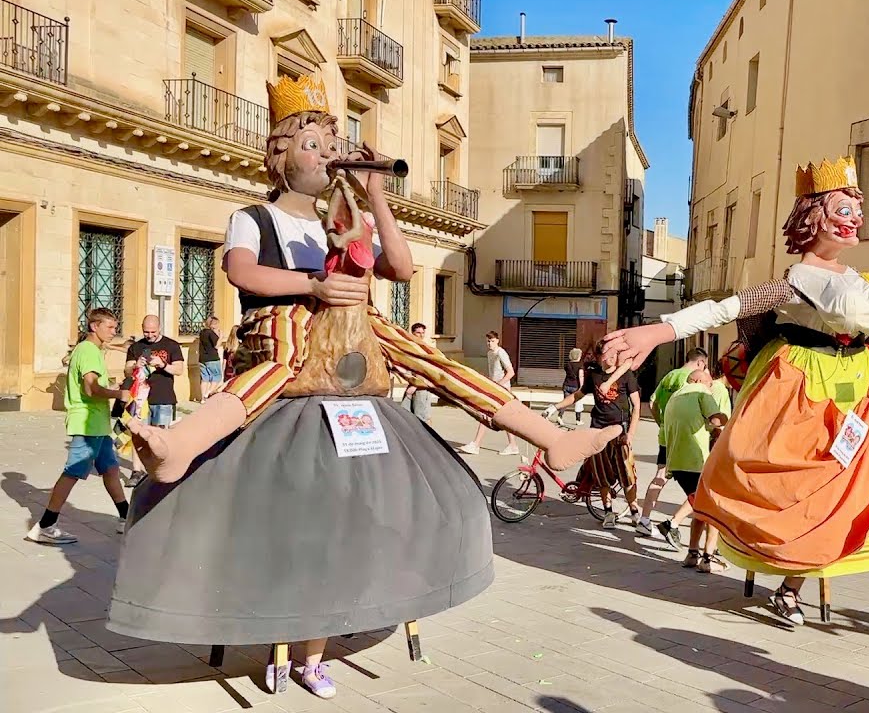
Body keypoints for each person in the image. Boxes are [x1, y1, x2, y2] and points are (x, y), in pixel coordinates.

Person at [110, 73, 616, 700]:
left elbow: (400, 268)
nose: (327, 154)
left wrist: (377, 198)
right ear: (277, 154)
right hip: (284, 327)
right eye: (313, 145)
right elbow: (242, 272)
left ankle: (550, 438)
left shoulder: (339, 223)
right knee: (287, 354)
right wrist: (312, 288)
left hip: (349, 334)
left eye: (332, 144)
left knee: (427, 358)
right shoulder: (254, 217)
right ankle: (182, 442)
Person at [600, 155, 869, 626]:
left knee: (840, 492)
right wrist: (658, 331)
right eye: (844, 209)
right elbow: (726, 307)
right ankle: (763, 559)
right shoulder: (793, 284)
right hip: (798, 388)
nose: (855, 218)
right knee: (788, 483)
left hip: (856, 392)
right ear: (814, 218)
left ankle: (790, 590)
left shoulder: (863, 284)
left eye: (858, 210)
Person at [25, 308, 131, 543]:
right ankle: (45, 525)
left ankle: (127, 517)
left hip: (98, 424)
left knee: (111, 469)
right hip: (87, 423)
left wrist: (113, 384)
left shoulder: (91, 351)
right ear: (95, 326)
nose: (115, 332)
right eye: (110, 327)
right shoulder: (89, 351)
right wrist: (118, 393)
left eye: (115, 327)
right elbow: (91, 389)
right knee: (72, 473)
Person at [548, 340, 642, 529]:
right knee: (602, 475)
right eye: (608, 353)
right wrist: (554, 407)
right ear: (600, 356)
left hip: (620, 432)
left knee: (628, 475)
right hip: (598, 431)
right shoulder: (594, 375)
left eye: (614, 353)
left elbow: (637, 405)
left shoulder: (625, 375)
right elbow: (577, 396)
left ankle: (634, 510)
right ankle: (608, 512)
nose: (612, 357)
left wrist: (630, 433)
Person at [634, 347, 709, 540]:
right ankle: (678, 525)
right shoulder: (694, 379)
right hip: (686, 439)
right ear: (700, 363)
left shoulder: (669, 376)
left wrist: (662, 423)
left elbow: (652, 403)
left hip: (665, 437)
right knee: (700, 488)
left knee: (660, 476)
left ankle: (644, 520)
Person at [659, 369, 729, 572]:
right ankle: (707, 559)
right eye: (709, 383)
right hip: (695, 459)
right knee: (713, 508)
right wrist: (728, 420)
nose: (711, 387)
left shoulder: (676, 396)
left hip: (676, 461)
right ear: (698, 380)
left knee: (700, 507)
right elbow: (717, 420)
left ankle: (692, 554)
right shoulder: (701, 392)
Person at [123, 315, 185, 485]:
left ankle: (161, 472)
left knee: (162, 437)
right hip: (141, 399)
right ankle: (137, 471)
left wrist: (163, 364)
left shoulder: (171, 345)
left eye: (153, 331)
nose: (149, 335)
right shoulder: (137, 347)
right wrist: (136, 364)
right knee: (138, 434)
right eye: (146, 331)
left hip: (163, 397)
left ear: (160, 328)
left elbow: (179, 370)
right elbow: (127, 370)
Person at [458, 331, 520, 456]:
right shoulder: (490, 354)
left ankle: (476, 444)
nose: (490, 343)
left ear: (497, 340)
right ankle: (512, 445)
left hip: (502, 391)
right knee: (496, 417)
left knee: (486, 415)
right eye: (488, 341)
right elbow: (494, 372)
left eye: (492, 341)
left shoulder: (501, 353)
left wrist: (499, 385)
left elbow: (510, 372)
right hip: (495, 390)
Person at [398, 323, 433, 426]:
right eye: (418, 333)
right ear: (412, 333)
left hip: (421, 387)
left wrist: (416, 385)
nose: (421, 335)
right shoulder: (411, 347)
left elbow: (424, 370)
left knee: (422, 417)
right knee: (406, 414)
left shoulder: (425, 350)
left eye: (423, 333)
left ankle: (427, 440)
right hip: (413, 385)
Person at [562, 348, 586, 425]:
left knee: (565, 402)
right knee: (578, 403)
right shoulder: (580, 365)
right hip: (576, 386)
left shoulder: (567, 364)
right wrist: (582, 387)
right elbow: (581, 376)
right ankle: (578, 420)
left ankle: (559, 417)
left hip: (566, 385)